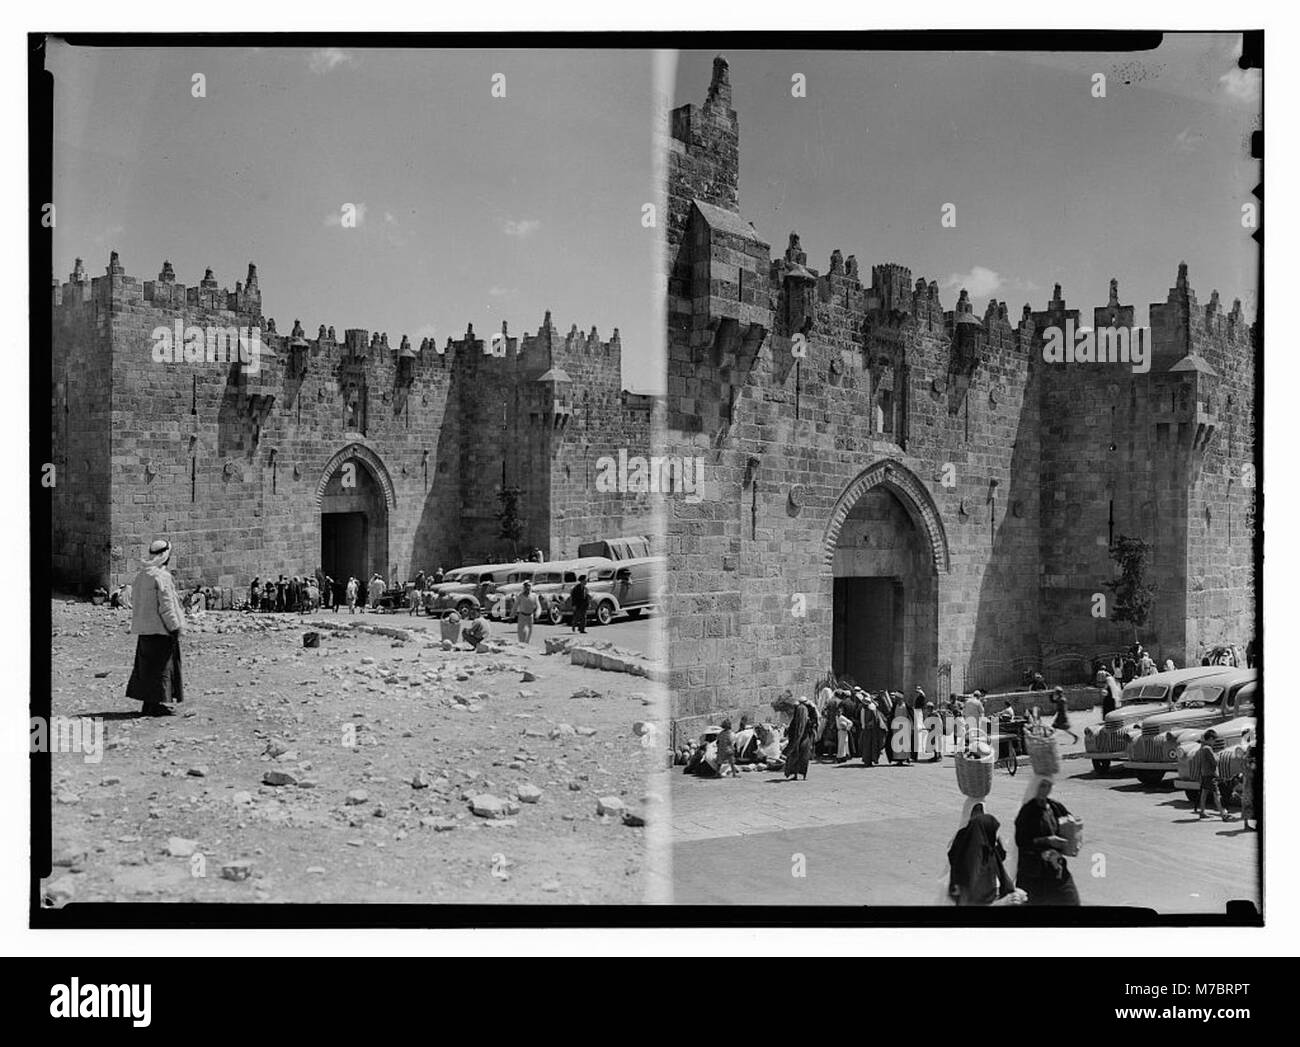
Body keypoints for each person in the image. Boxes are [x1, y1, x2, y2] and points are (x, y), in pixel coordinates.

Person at [125, 539, 185, 717]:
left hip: (144, 629)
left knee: (147, 668)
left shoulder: (142, 575)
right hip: (160, 629)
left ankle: (149, 704)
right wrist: (174, 626)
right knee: (161, 668)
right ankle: (156, 705)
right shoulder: (162, 576)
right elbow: (166, 606)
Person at [1013, 777, 1080, 905]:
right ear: (1035, 787)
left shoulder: (1055, 806)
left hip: (1056, 869)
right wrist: (1047, 841)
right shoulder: (1027, 812)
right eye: (1042, 786)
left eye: (1049, 786)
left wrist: (1073, 832)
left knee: (1071, 900)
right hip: (1034, 873)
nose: (1046, 789)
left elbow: (1070, 823)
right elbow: (1021, 841)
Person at [947, 801, 1016, 906]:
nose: (995, 836)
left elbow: (1001, 856)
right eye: (993, 831)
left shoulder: (981, 845)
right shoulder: (975, 862)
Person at [1193, 730, 1229, 821]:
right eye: (1214, 740)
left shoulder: (1202, 748)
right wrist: (1217, 755)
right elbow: (1215, 761)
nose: (1214, 743)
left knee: (1204, 793)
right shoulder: (1208, 749)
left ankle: (1202, 812)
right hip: (1211, 775)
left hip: (1205, 774)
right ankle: (1222, 814)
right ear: (1210, 739)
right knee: (1216, 794)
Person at [780, 695, 817, 781]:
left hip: (800, 738)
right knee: (802, 756)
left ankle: (797, 774)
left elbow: (799, 725)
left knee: (798, 755)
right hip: (804, 737)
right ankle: (800, 774)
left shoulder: (802, 710)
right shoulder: (807, 710)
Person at [1240, 746, 1258, 831]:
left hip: (1246, 783)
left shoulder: (1244, 759)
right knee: (1249, 804)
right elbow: (1253, 770)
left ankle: (1246, 824)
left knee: (1246, 803)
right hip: (1250, 784)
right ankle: (1247, 825)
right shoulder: (1251, 761)